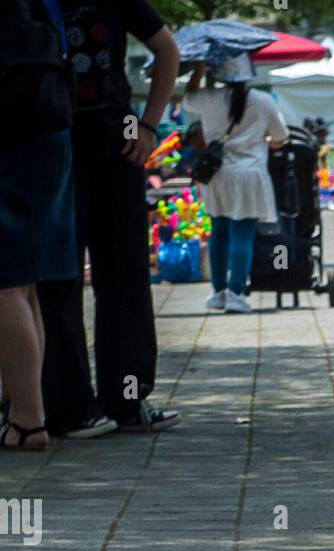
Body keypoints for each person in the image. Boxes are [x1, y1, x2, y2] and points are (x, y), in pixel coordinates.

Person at [37, 1, 181, 438]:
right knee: (61, 279)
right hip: (55, 138)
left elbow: (167, 50)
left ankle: (121, 399)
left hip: (111, 142)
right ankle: (76, 406)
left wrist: (150, 126)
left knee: (119, 275)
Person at [0, 0, 76, 450]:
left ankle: (28, 419)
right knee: (25, 285)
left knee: (6, 285)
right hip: (50, 137)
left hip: (10, 144)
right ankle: (25, 410)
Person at [183, 56, 287, 314]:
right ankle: (236, 292)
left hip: (216, 175)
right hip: (249, 175)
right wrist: (262, 139)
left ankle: (217, 292)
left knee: (219, 232)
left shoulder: (210, 98)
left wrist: (197, 70)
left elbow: (187, 99)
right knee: (242, 234)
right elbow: (280, 138)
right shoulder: (263, 101)